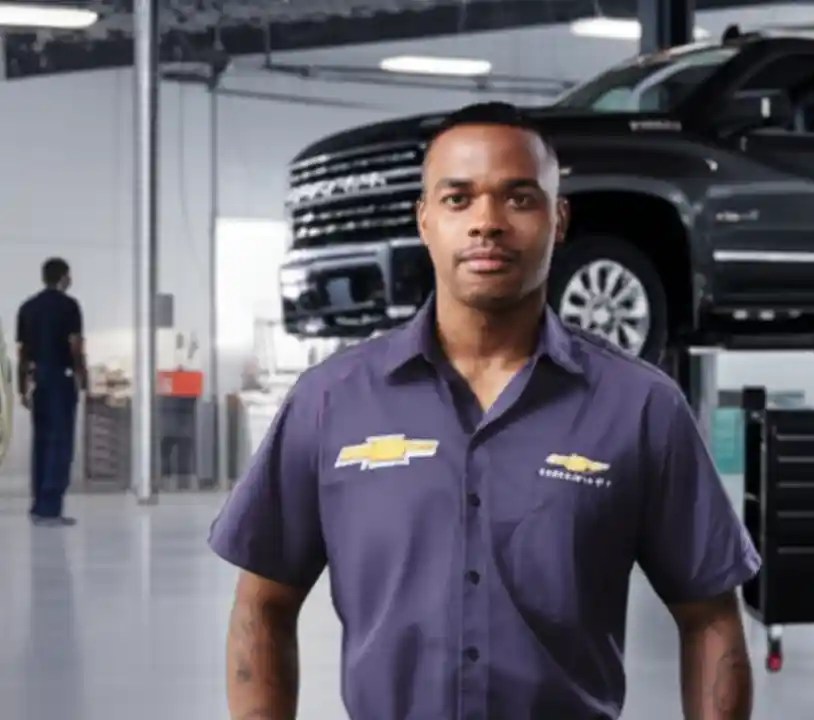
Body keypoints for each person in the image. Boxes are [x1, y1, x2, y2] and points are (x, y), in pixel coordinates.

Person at [208, 102, 762, 720]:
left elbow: (709, 616)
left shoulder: (640, 407)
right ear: (424, 220)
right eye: (458, 199)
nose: (487, 223)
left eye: (519, 198)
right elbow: (263, 606)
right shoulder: (330, 400)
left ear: (558, 219)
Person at [16, 257, 86, 527]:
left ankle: (37, 506)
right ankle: (50, 509)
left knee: (42, 443)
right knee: (60, 444)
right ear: (64, 277)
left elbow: (22, 353)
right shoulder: (69, 306)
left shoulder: (27, 307)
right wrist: (82, 375)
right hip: (60, 379)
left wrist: (23, 387)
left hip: (39, 381)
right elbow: (75, 345)